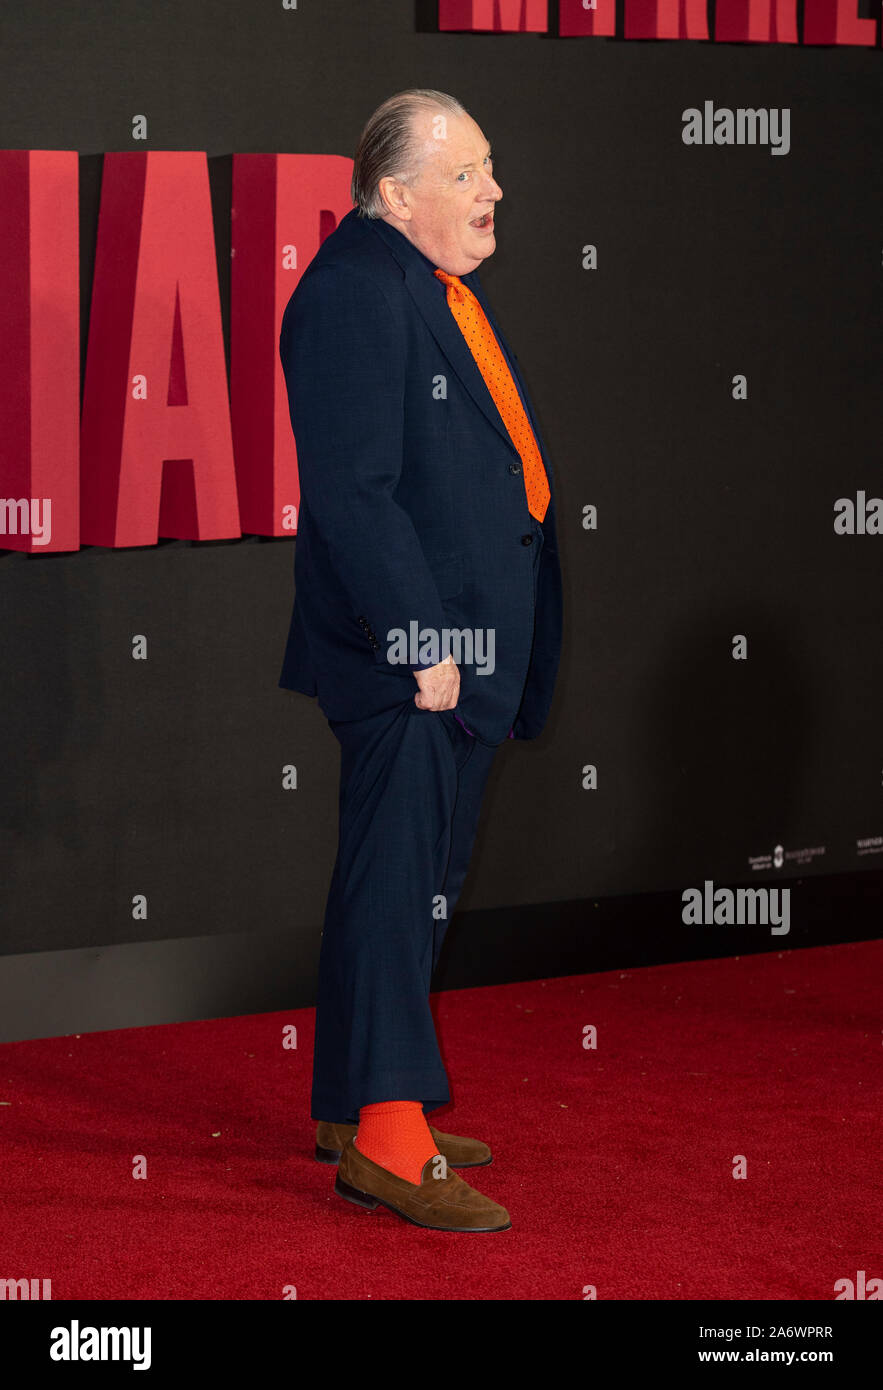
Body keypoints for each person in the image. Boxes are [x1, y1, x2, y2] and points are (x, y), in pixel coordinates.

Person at [278, 89, 562, 1232]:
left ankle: (354, 1102)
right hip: (417, 657)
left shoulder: (416, 286)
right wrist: (421, 643)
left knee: (405, 883)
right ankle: (389, 1142)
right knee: (400, 891)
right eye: (466, 174)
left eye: (490, 168)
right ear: (396, 194)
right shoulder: (356, 292)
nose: (493, 191)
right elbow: (353, 494)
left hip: (459, 653)